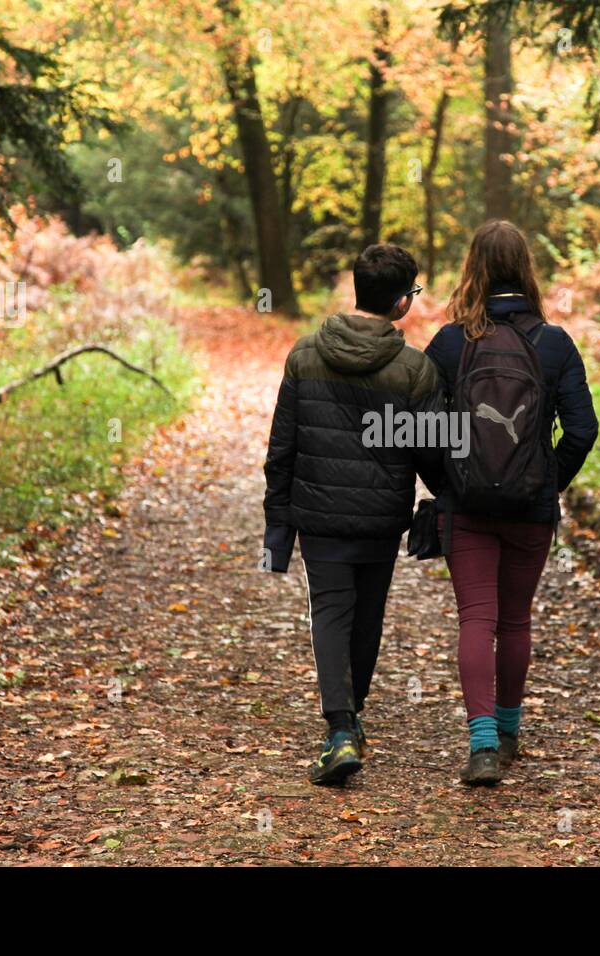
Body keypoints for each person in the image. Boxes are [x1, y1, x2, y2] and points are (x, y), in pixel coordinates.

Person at [424, 221, 599, 785]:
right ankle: (508, 730)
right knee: (514, 618)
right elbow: (582, 430)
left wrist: (447, 481)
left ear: (473, 268)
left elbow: (420, 427)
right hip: (530, 509)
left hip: (466, 505)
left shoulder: (451, 342)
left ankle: (481, 748)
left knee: (476, 617)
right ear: (526, 268)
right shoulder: (554, 344)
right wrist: (547, 482)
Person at [263, 243, 441, 785]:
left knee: (332, 614)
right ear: (399, 302)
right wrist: (448, 506)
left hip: (318, 516)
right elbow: (435, 451)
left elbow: (282, 447)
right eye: (412, 292)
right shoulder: (415, 369)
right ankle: (348, 721)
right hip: (382, 517)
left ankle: (341, 728)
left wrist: (277, 528)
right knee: (368, 618)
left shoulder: (304, 354)